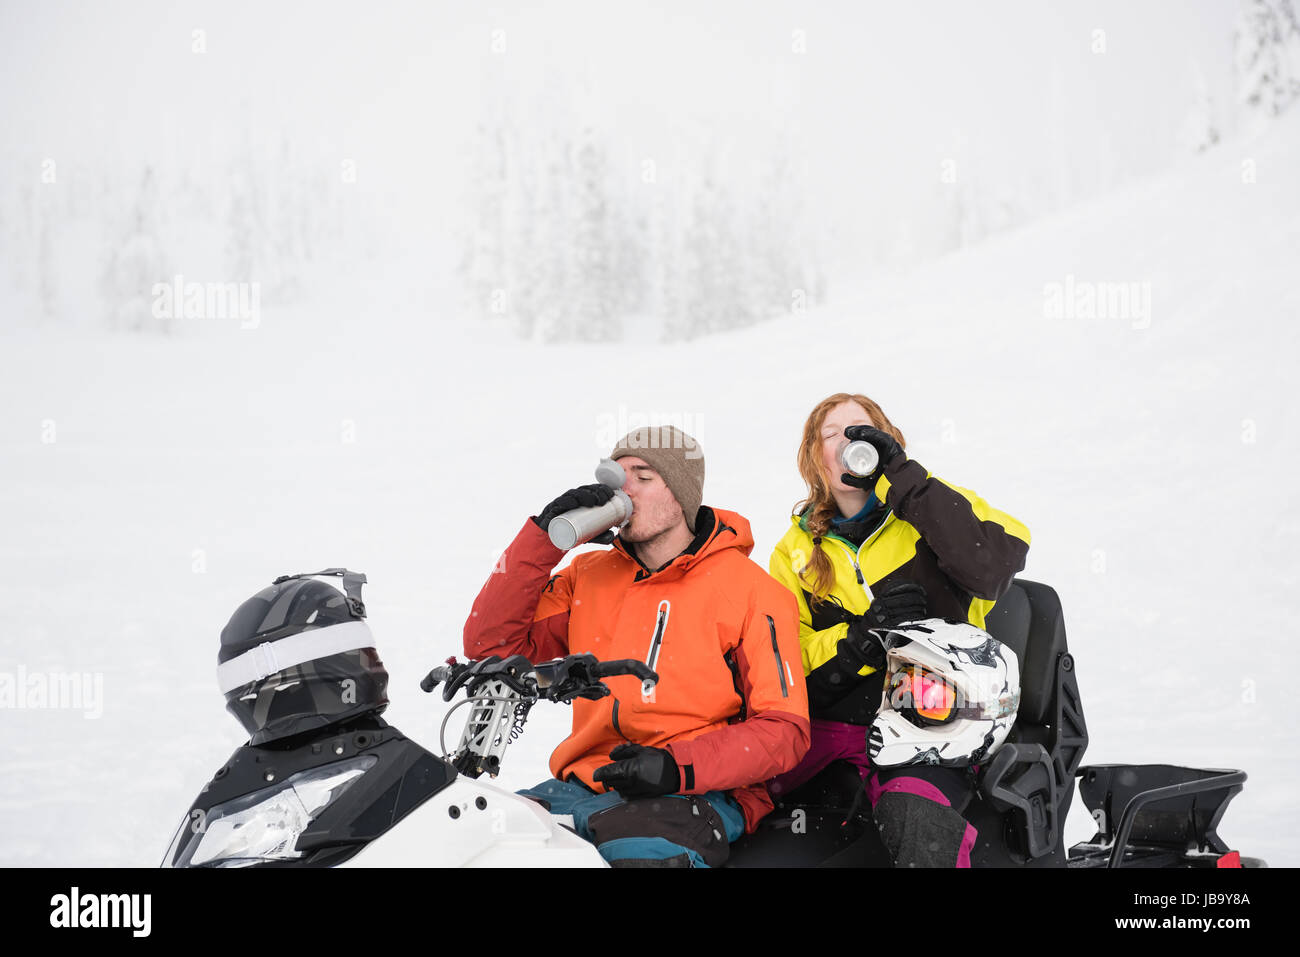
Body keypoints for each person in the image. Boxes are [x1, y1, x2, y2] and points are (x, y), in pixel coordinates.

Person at [463, 424, 810, 867]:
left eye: (643, 478)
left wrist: (675, 766)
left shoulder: (750, 591)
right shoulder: (587, 577)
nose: (625, 492)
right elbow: (489, 643)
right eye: (618, 479)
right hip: (583, 787)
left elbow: (785, 731)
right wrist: (541, 538)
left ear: (681, 497)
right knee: (478, 843)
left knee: (639, 858)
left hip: (696, 794)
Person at [768, 393, 1030, 867]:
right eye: (832, 434)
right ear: (814, 456)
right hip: (838, 726)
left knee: (915, 816)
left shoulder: (933, 502)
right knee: (744, 795)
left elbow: (993, 567)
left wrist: (905, 480)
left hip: (935, 722)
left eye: (862, 429)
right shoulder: (793, 551)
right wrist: (860, 641)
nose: (848, 441)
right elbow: (788, 661)